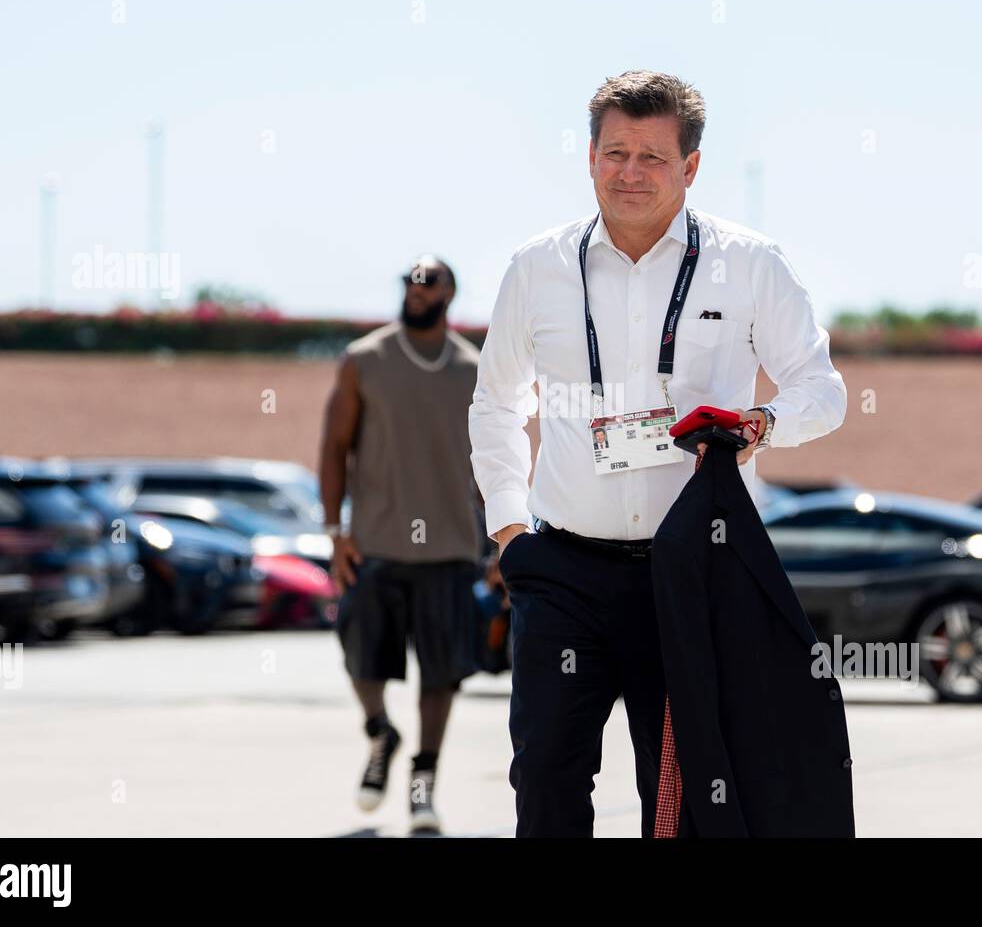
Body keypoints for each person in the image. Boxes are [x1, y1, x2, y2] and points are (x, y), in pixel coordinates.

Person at [469, 70, 848, 837]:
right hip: (563, 572)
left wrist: (764, 423)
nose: (630, 173)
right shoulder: (536, 267)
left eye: (651, 157)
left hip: (693, 575)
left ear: (691, 167)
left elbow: (823, 390)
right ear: (589, 157)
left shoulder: (748, 263)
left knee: (678, 801)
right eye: (615, 153)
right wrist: (511, 532)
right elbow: (497, 403)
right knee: (544, 784)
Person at [319, 255, 482, 835]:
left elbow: (491, 464)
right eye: (410, 282)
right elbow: (335, 445)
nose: (417, 291)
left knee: (440, 678)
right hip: (376, 546)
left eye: (428, 282)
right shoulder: (365, 359)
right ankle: (379, 733)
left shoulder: (472, 368)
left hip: (451, 550)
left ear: (450, 292)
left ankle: (422, 785)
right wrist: (335, 532)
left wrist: (495, 547)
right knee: (362, 660)